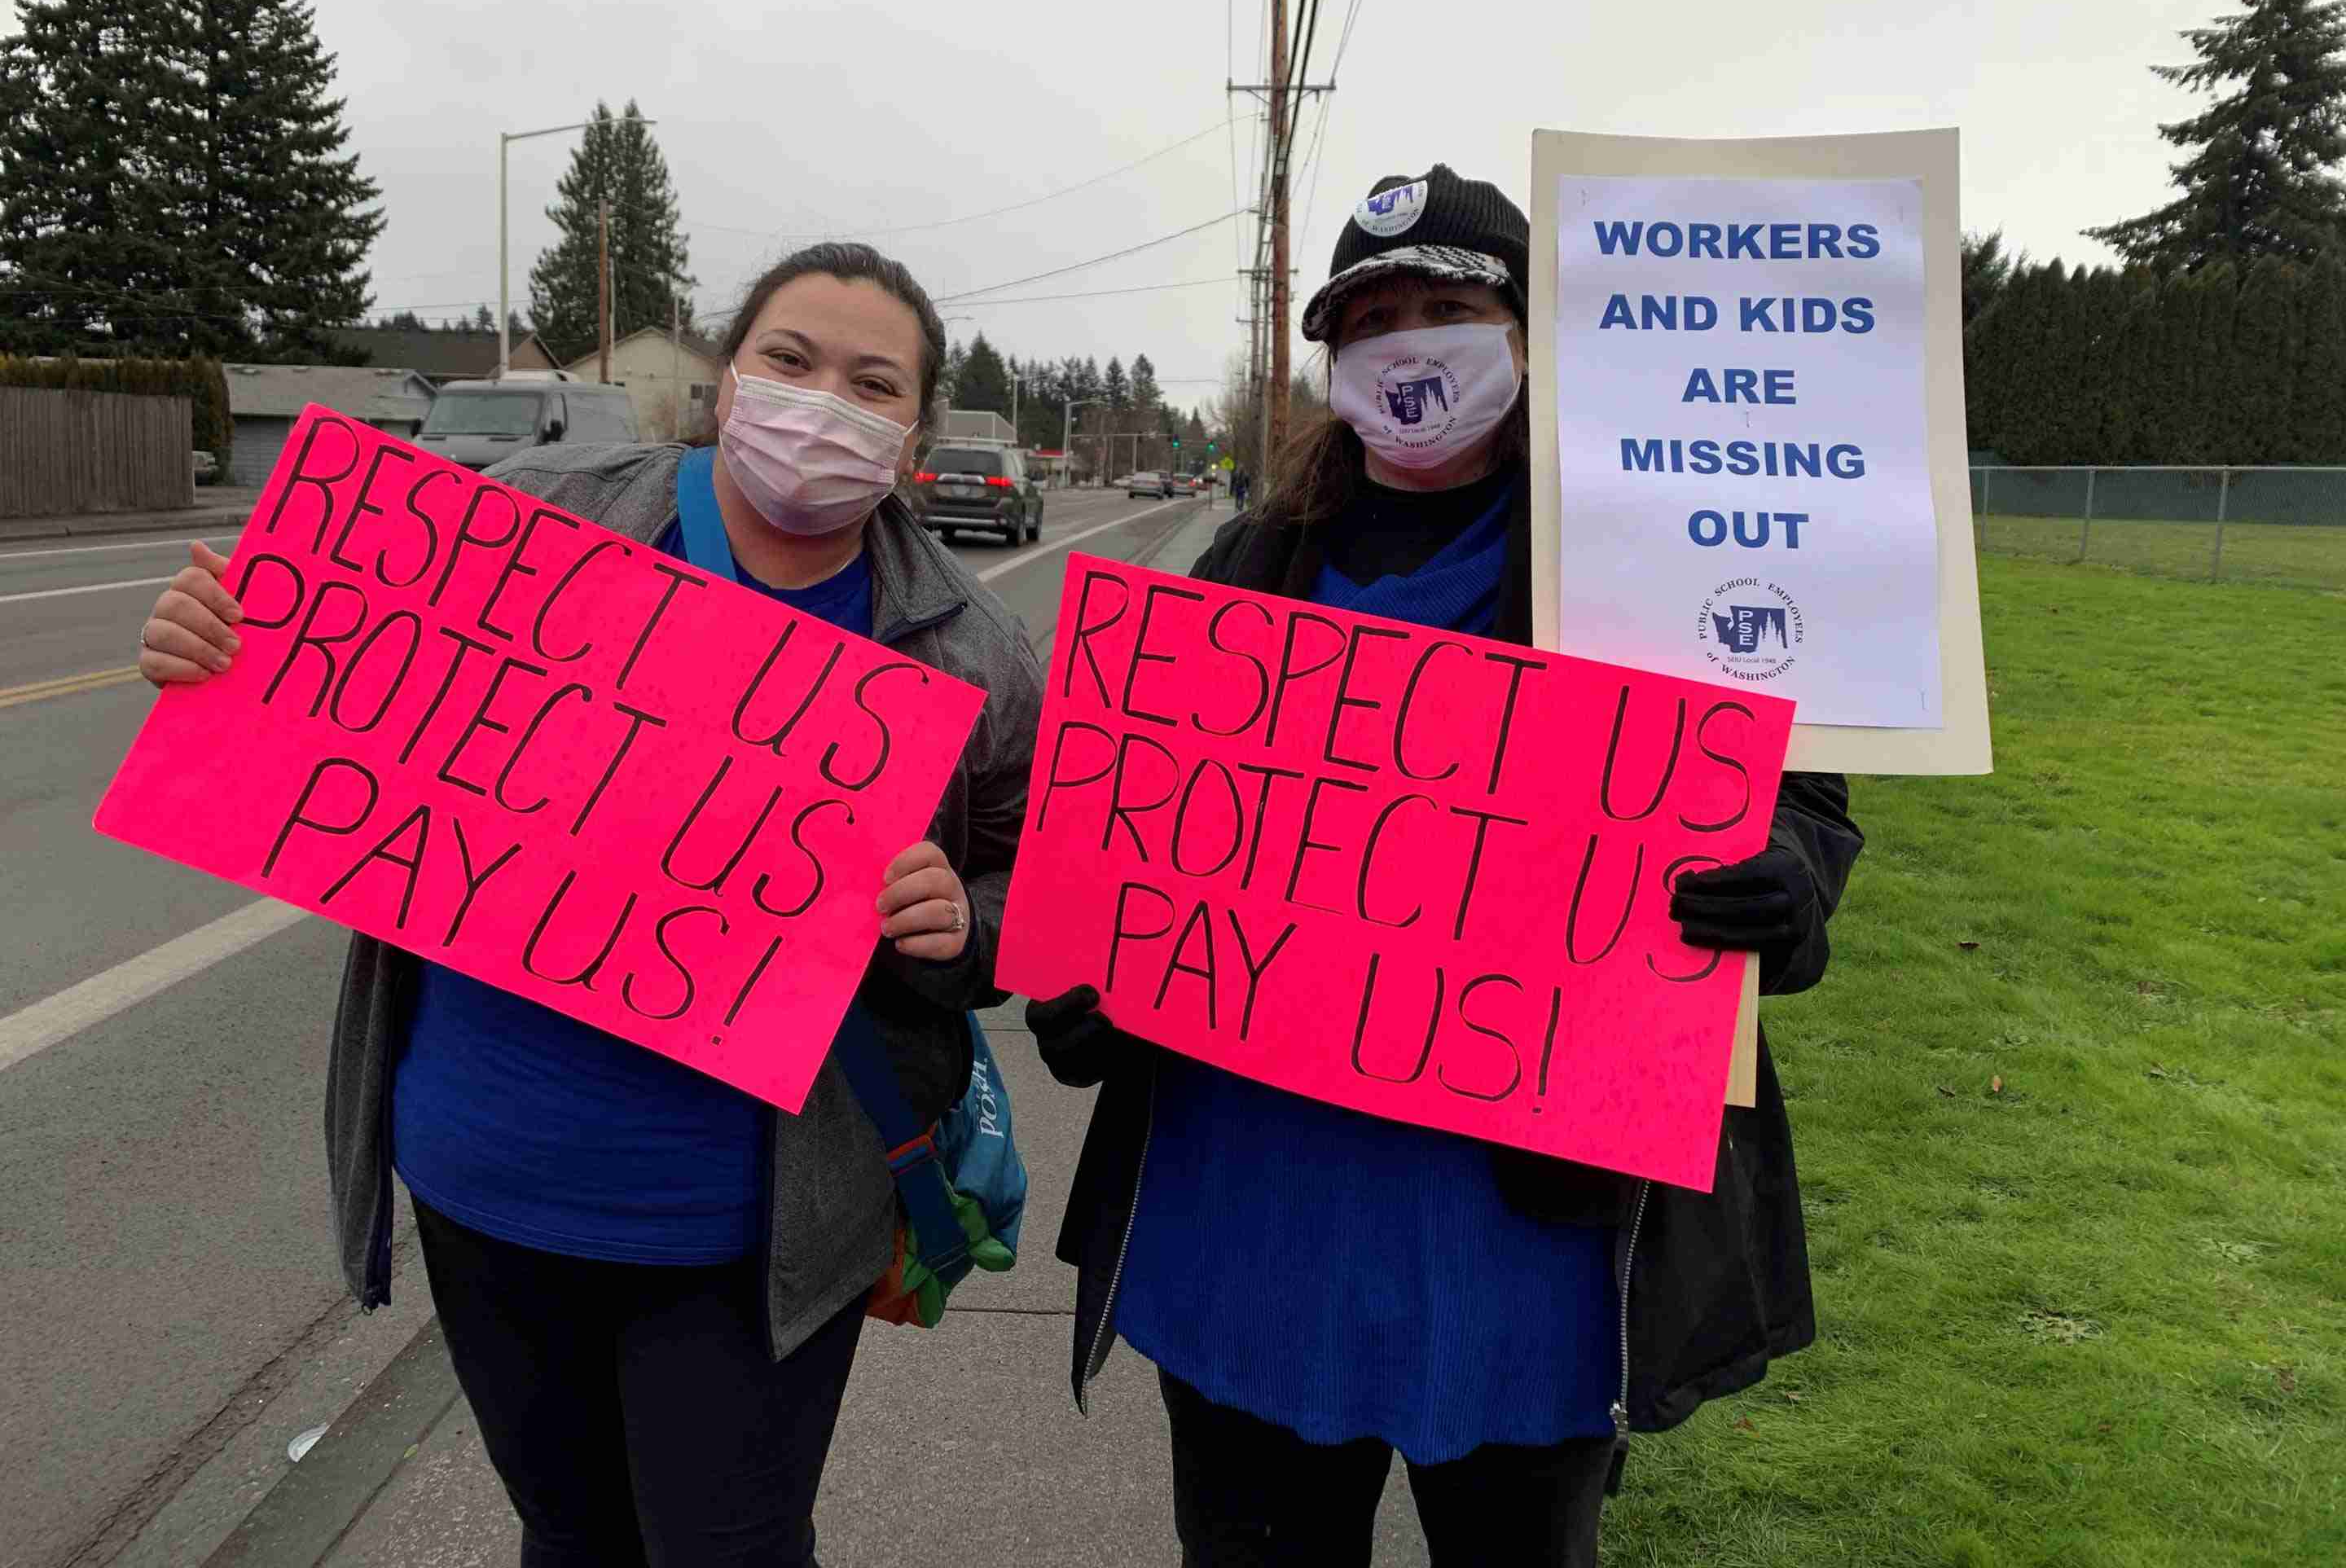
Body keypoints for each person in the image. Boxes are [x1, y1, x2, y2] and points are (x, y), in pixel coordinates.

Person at [134, 242, 1044, 1568]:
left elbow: (1047, 893)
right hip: (489, 1188)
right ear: (731, 378)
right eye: (790, 360)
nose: (821, 404)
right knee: (566, 1535)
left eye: (871, 384)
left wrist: (966, 923)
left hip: (750, 1232)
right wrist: (208, 650)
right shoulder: (535, 518)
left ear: (913, 434)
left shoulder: (971, 644)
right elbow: (309, 665)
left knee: (727, 1545)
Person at [1030, 166, 1865, 1566]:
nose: (1408, 345)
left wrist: (1788, 874)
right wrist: (1082, 981)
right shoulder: (1240, 573)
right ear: (1335, 362)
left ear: (1530, 341)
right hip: (1249, 1226)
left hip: (1522, 1249)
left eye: (1446, 307)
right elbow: (1123, 852)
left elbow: (1794, 785)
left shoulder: (1639, 570)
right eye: (1371, 319)